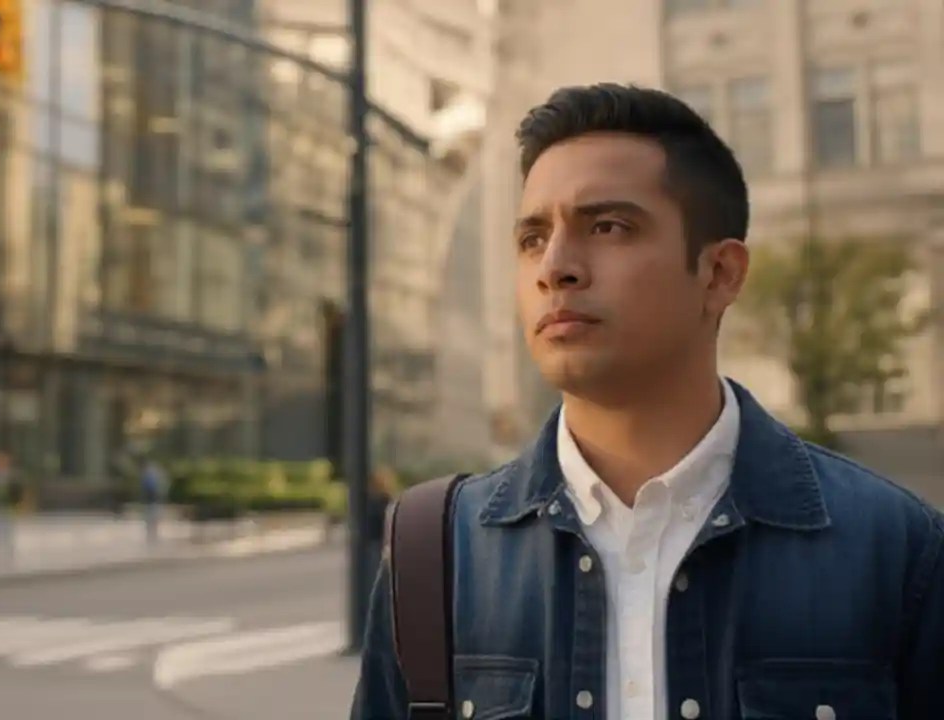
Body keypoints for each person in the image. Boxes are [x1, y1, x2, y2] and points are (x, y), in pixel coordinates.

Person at [352, 84, 944, 719]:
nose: (555, 267)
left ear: (720, 274)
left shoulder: (893, 548)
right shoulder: (438, 554)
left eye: (608, 226)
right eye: (532, 237)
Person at [140, 459, 169, 546]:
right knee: (152, 517)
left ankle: (152, 534)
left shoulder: (149, 478)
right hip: (152, 501)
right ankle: (152, 534)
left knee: (152, 517)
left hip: (152, 501)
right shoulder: (150, 478)